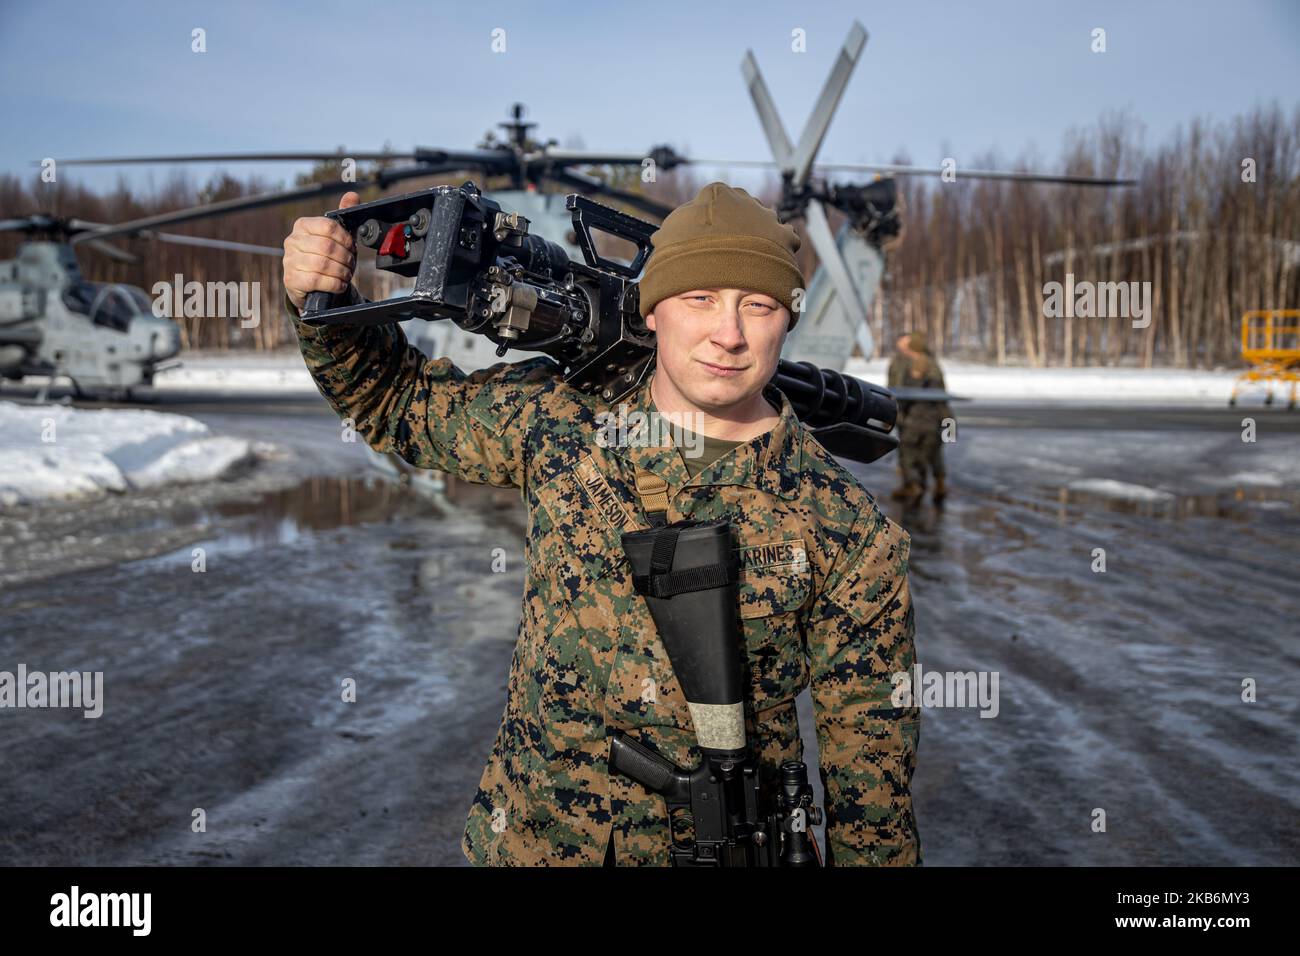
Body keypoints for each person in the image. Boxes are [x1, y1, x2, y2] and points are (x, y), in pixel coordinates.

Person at [281, 181, 921, 866]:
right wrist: (328, 299)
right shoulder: (559, 419)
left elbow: (871, 800)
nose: (727, 334)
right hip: (531, 845)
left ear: (784, 321)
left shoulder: (847, 531)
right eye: (700, 297)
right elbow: (395, 401)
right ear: (655, 310)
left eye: (757, 305)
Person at [888, 331, 950, 507]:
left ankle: (914, 486)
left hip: (914, 418)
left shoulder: (918, 364)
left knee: (910, 452)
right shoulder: (931, 363)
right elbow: (943, 399)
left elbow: (902, 391)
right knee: (931, 452)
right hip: (932, 418)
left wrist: (894, 415)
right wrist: (950, 428)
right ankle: (934, 485)